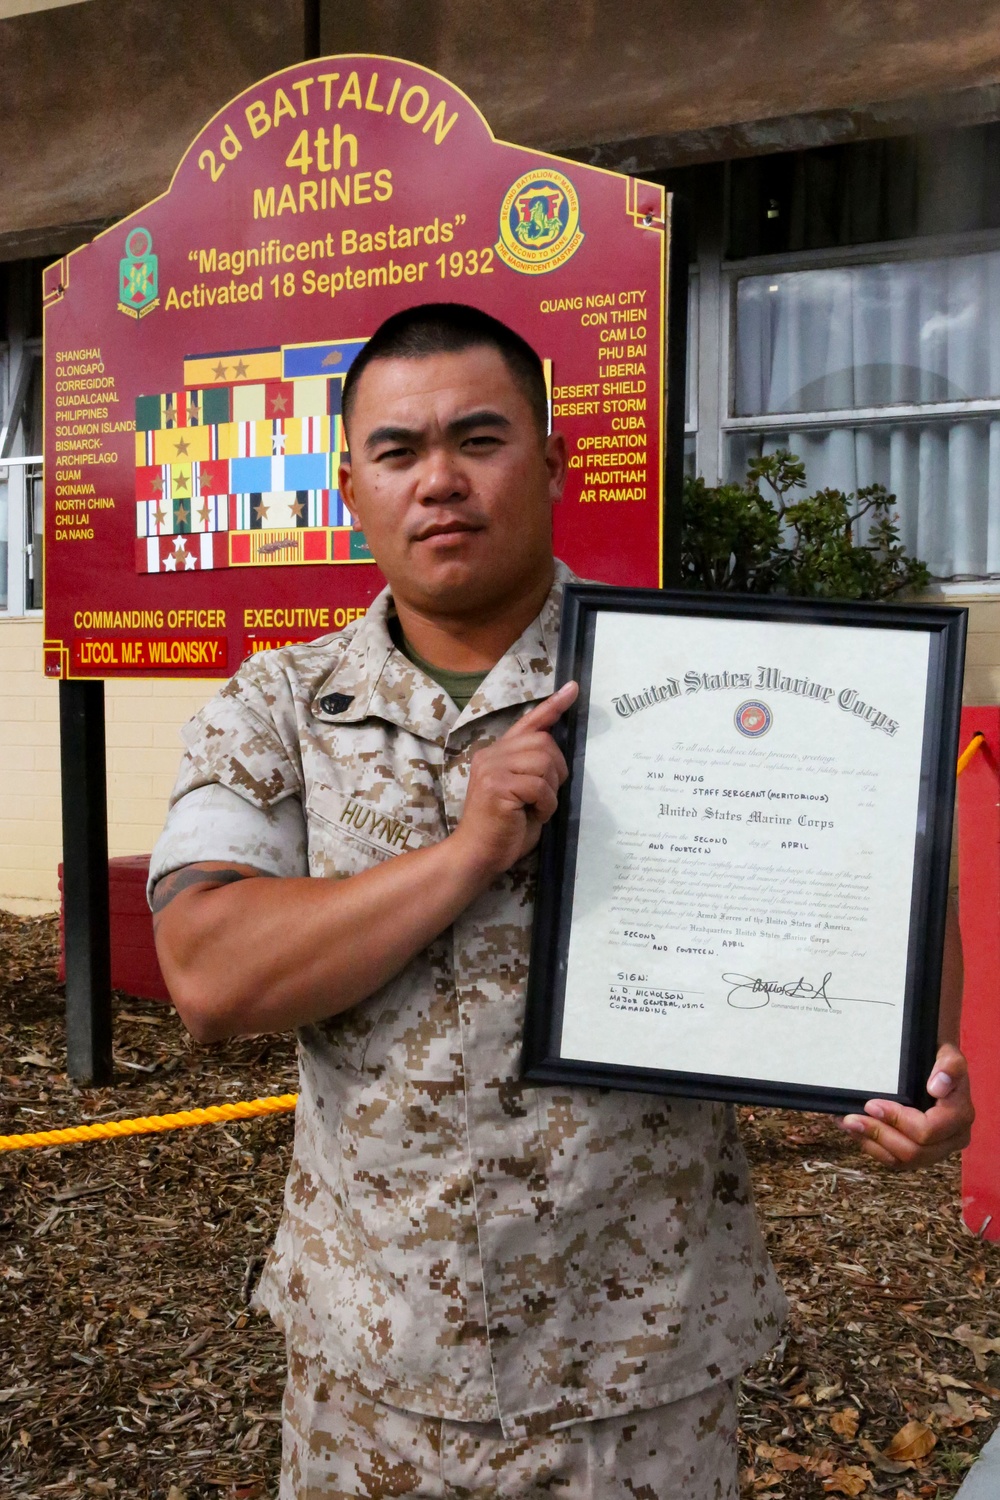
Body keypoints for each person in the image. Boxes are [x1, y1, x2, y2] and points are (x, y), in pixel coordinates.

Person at [150, 303, 973, 1498]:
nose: (439, 481)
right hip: (370, 1377)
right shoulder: (280, 706)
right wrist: (462, 854)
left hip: (637, 1377)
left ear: (551, 459)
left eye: (478, 439)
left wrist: (916, 1071)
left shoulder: (692, 681)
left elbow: (875, 890)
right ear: (348, 482)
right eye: (397, 450)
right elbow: (209, 974)